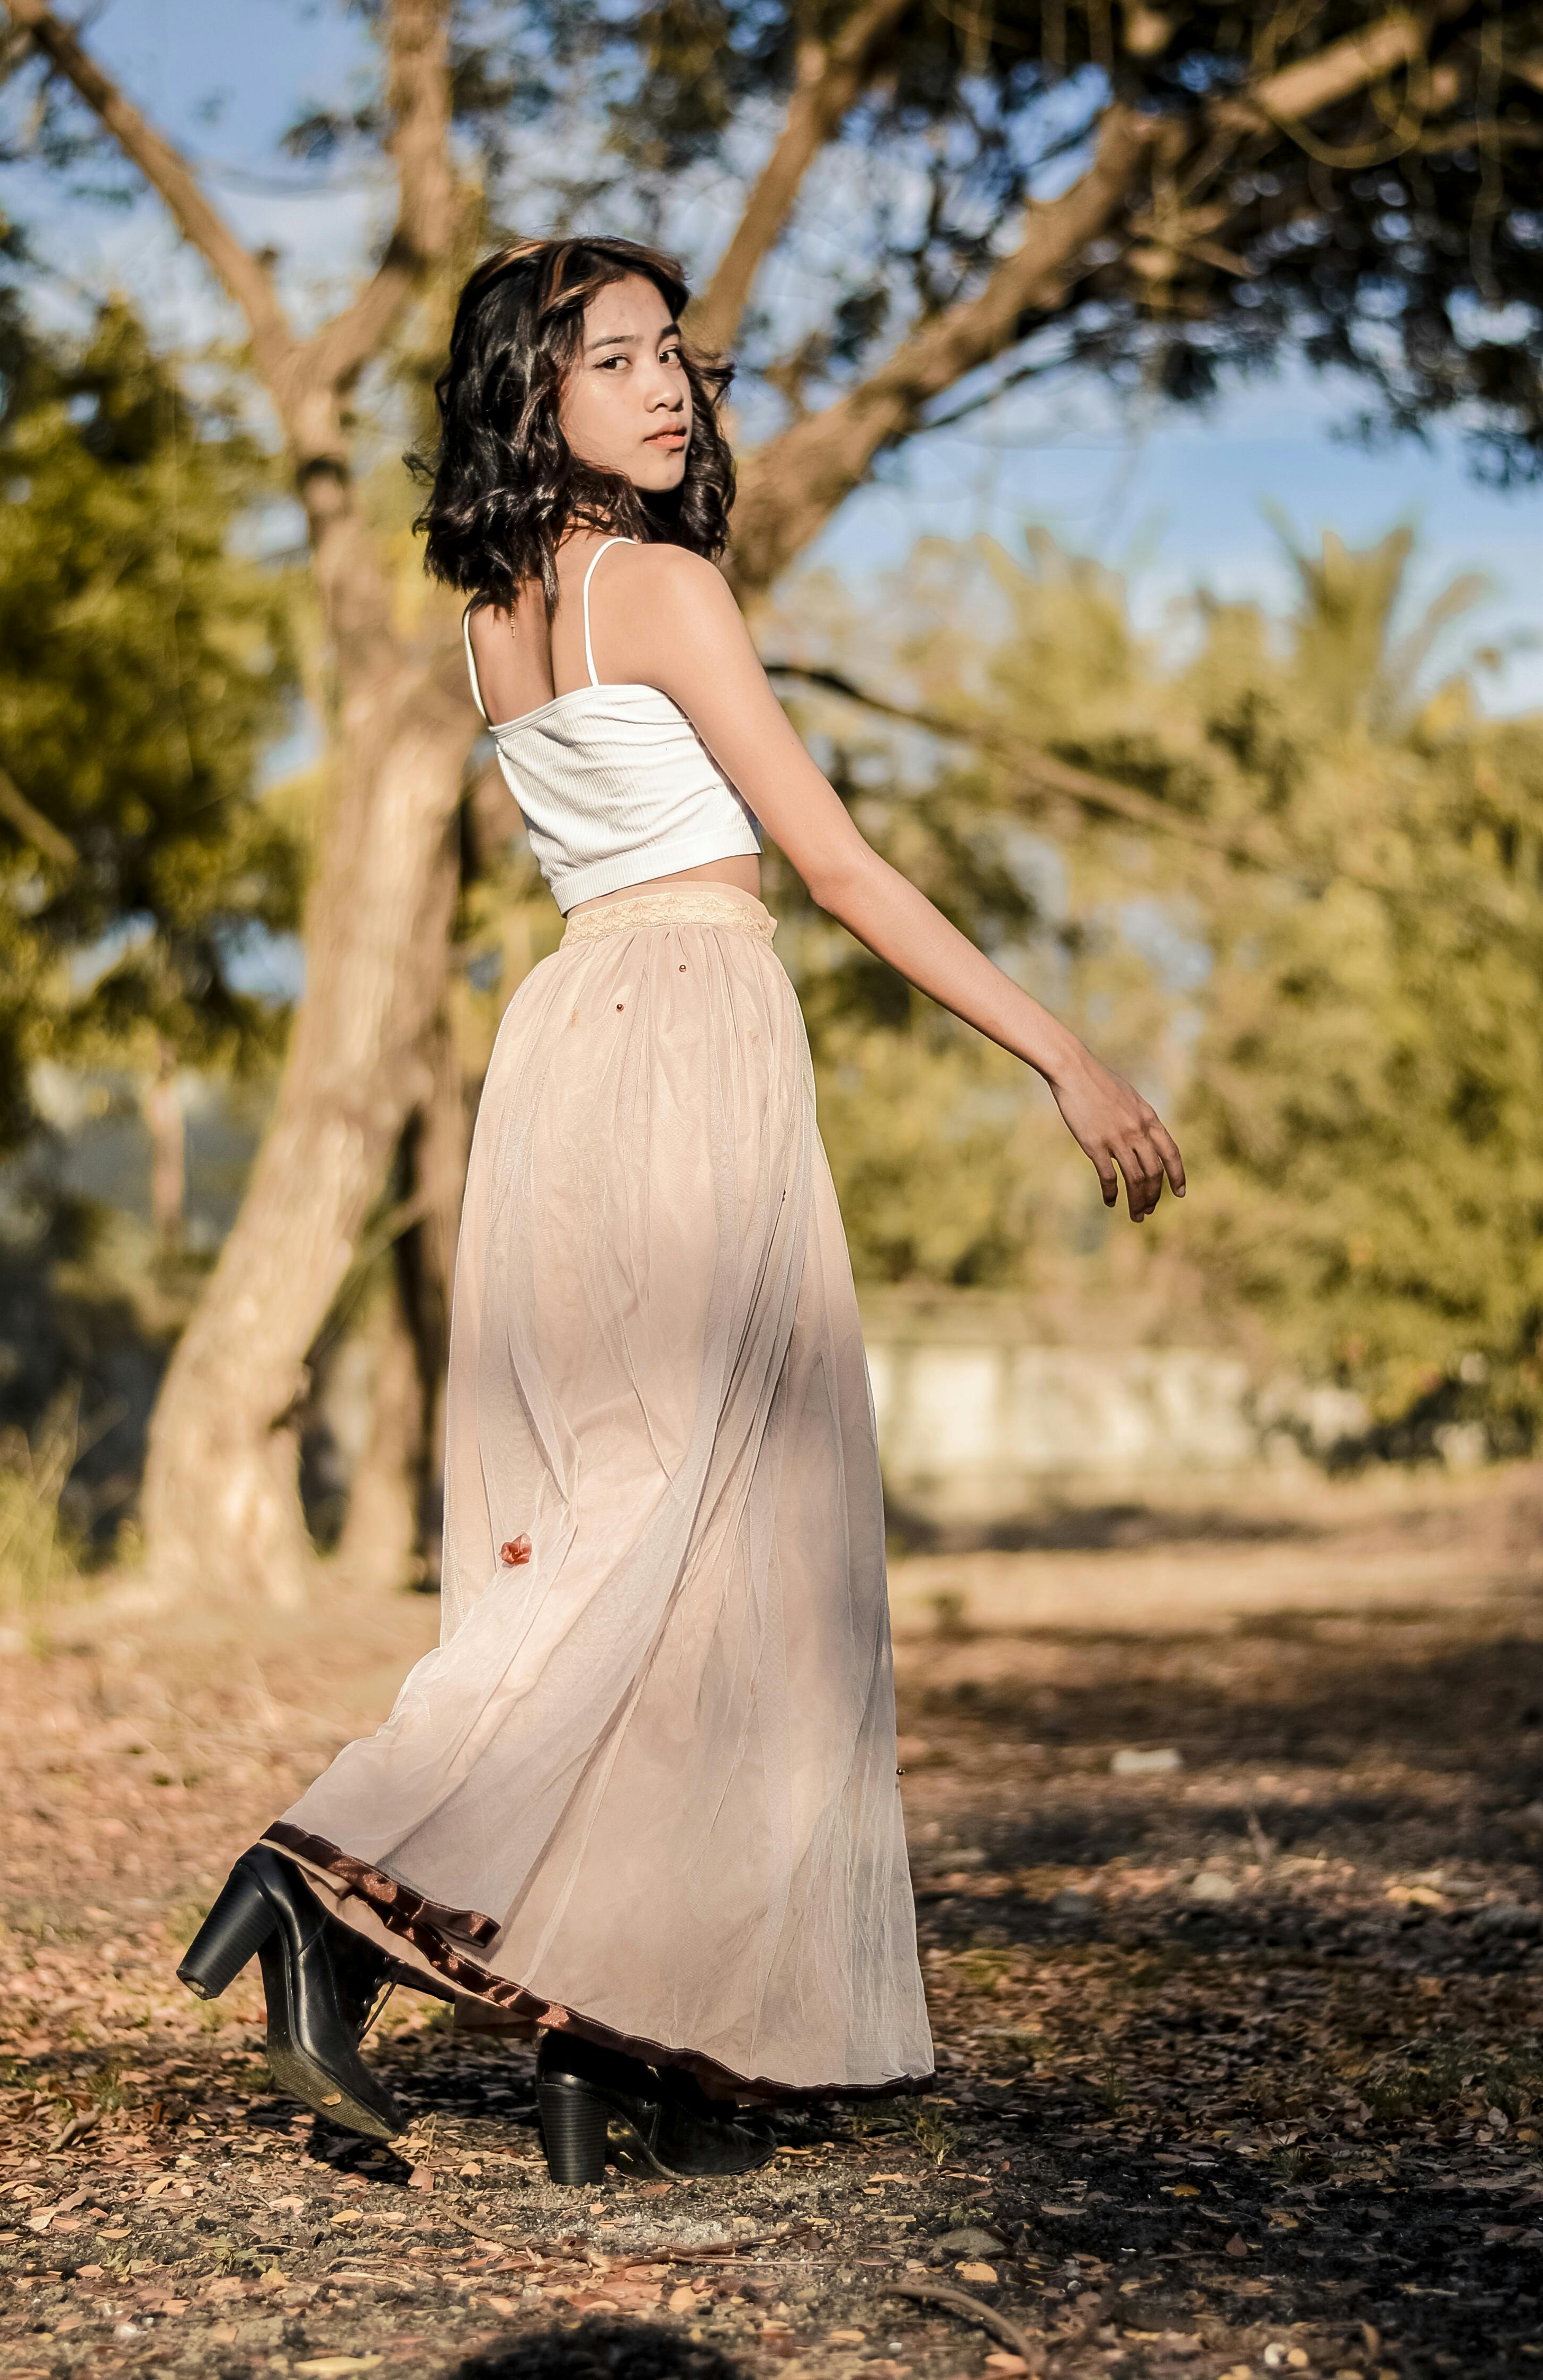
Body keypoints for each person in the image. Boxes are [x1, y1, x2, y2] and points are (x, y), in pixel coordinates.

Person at [176, 235, 1185, 2187]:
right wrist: (1062, 1052)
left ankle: (606, 2040)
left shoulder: (492, 616)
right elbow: (836, 866)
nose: (670, 392)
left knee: (635, 1540)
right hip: (695, 1030)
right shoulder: (661, 582)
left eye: (677, 357)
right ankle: (327, 1878)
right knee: (693, 1541)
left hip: (560, 1051)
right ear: (531, 395)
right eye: (616, 360)